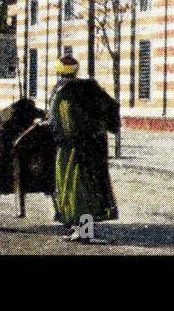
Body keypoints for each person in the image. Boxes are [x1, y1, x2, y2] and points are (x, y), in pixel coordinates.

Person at [45, 53, 119, 242]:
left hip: (69, 149)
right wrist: (108, 127)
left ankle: (83, 231)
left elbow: (54, 121)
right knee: (85, 189)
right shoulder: (90, 88)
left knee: (75, 190)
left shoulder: (59, 92)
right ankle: (80, 229)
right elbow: (111, 106)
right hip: (90, 148)